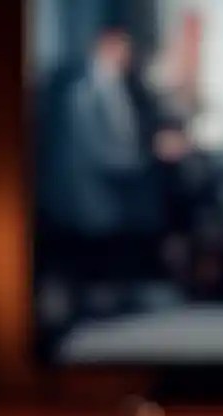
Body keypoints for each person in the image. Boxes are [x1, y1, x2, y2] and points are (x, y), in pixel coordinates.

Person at [51, 27, 172, 313]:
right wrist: (140, 160)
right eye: (123, 50)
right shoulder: (87, 90)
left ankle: (114, 299)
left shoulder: (115, 85)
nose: (127, 58)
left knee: (113, 247)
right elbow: (94, 146)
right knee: (94, 252)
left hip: (116, 182)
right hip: (95, 187)